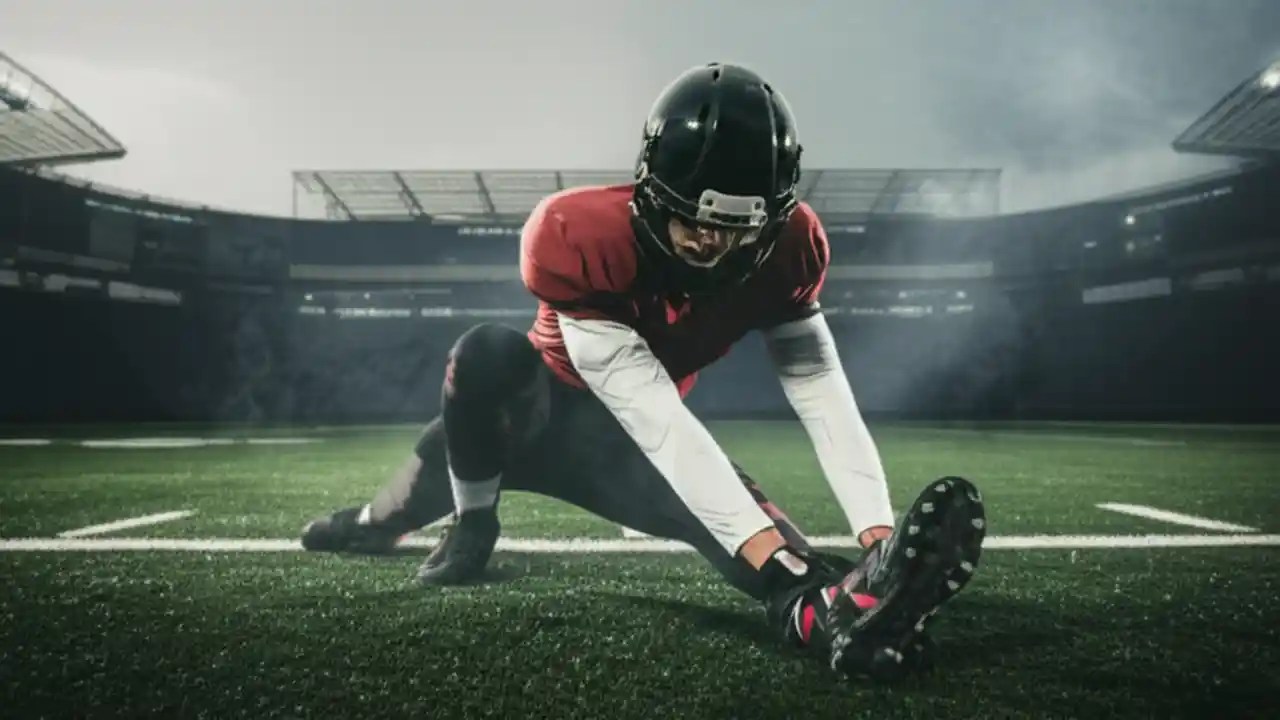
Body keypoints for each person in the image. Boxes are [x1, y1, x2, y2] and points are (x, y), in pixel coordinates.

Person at [301, 62, 985, 682]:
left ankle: (831, 615)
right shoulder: (578, 238)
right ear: (651, 191)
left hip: (613, 450)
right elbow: (659, 420)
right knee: (482, 356)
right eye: (696, 221)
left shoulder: (791, 251)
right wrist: (775, 550)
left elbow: (821, 395)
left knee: (782, 565)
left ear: (773, 218)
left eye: (739, 229)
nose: (714, 246)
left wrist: (875, 535)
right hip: (524, 416)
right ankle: (462, 524)